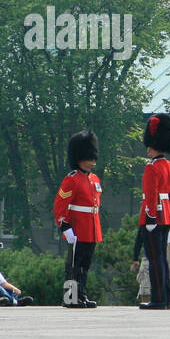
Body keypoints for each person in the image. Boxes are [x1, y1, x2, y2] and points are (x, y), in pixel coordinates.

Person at [54, 131, 103, 309]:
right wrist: (65, 226)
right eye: (88, 158)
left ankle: (81, 294)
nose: (92, 161)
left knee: (84, 264)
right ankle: (70, 296)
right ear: (79, 158)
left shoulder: (94, 179)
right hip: (77, 227)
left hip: (92, 227)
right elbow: (60, 206)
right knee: (74, 264)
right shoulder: (71, 179)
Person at [138, 113, 170, 310]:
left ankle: (157, 299)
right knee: (162, 259)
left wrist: (150, 217)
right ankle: (166, 298)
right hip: (166, 216)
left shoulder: (152, 168)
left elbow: (150, 195)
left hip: (154, 217)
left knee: (155, 260)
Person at [0, 240, 33, 306]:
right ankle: (14, 302)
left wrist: (14, 289)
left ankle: (11, 300)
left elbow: (3, 283)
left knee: (12, 291)